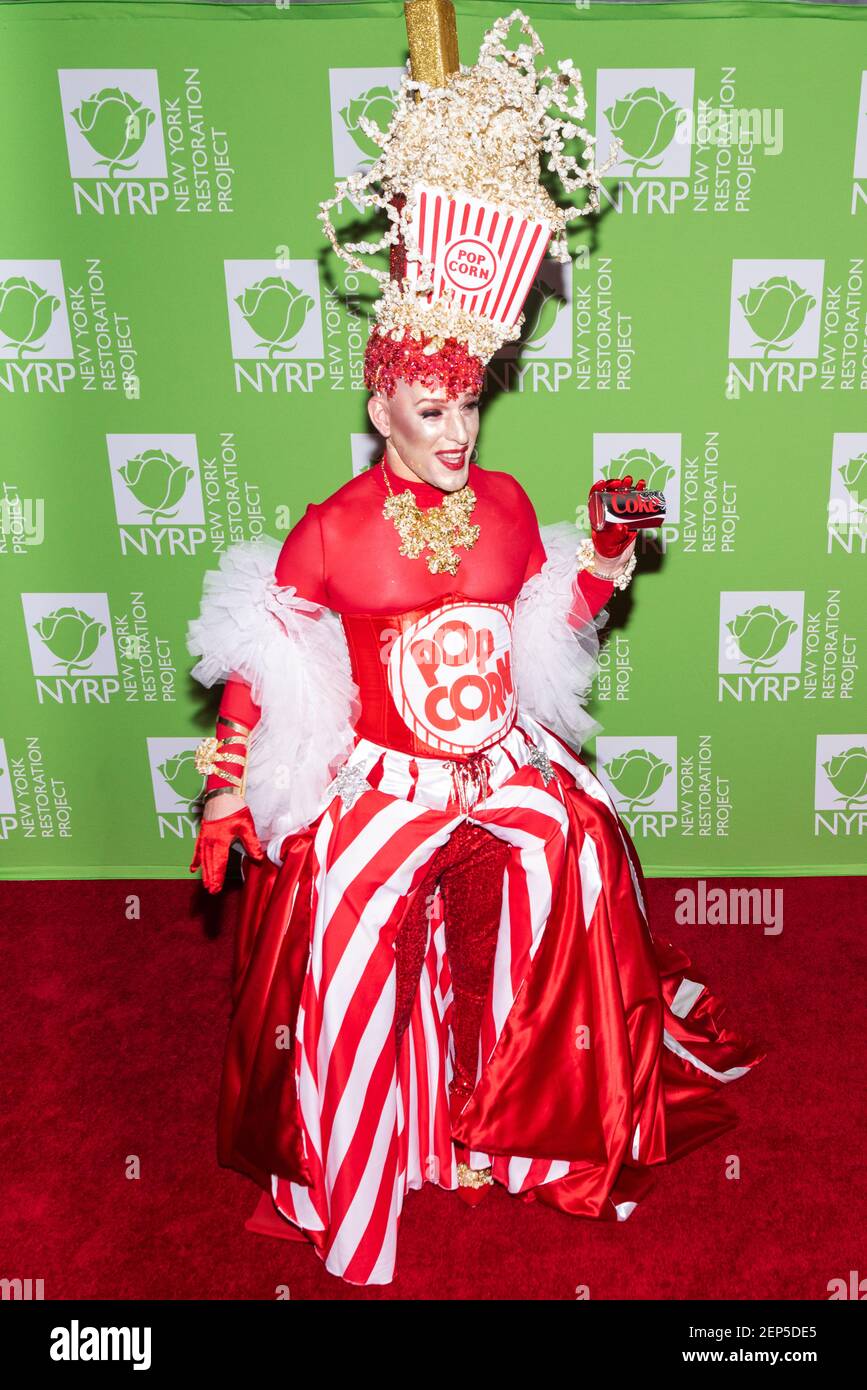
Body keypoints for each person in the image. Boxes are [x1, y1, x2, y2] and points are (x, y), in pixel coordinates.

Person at [186, 9, 764, 1287]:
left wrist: (603, 560)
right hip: (386, 775)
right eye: (432, 406)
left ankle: (546, 1137)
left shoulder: (504, 509)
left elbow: (541, 627)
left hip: (499, 754)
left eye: (471, 403)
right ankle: (357, 1159)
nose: (458, 429)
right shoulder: (330, 534)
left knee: (576, 845)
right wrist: (232, 786)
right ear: (382, 395)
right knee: (338, 917)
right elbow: (265, 665)